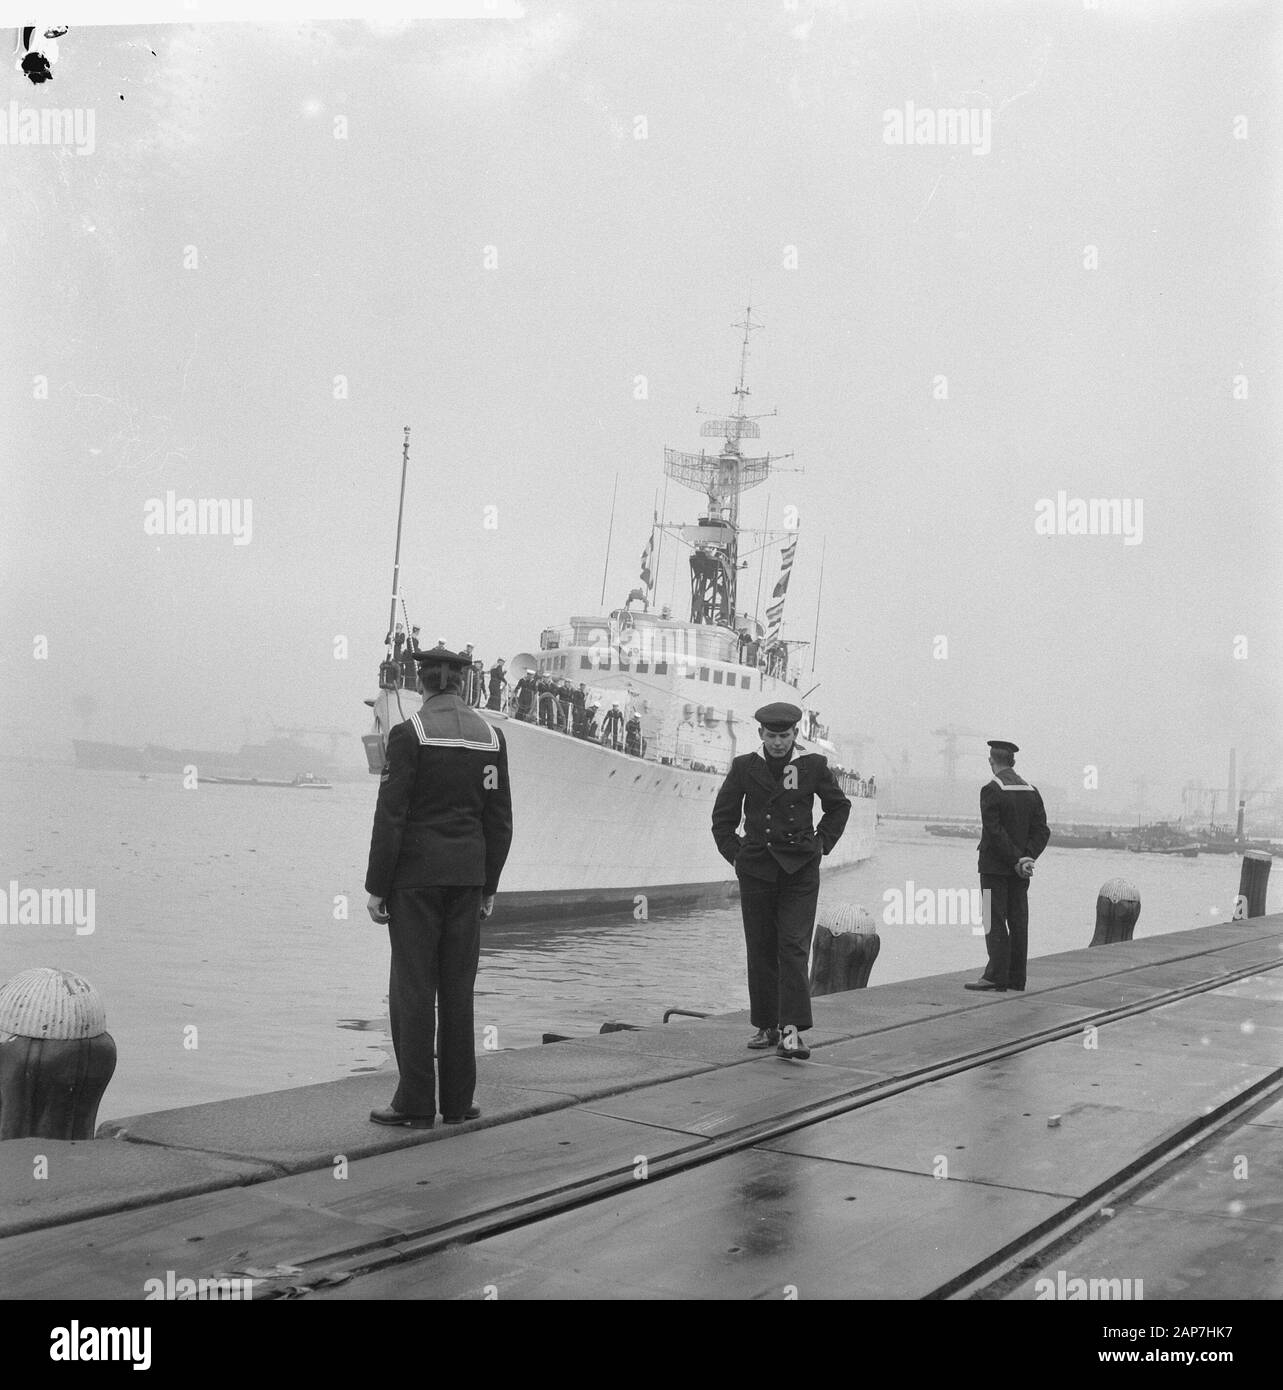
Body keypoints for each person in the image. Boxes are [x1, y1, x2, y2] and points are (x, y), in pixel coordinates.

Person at [364, 643, 514, 1128]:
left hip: (415, 881)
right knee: (457, 988)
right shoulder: (492, 739)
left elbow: (392, 816)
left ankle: (413, 1103)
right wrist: (488, 885)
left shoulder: (410, 735)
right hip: (467, 879)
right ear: (462, 683)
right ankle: (457, 1100)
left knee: (412, 988)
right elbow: (499, 821)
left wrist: (377, 886)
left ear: (424, 682)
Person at [711, 703, 851, 1060]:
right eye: (771, 736)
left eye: (784, 736)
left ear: (795, 735)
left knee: (792, 946)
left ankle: (792, 1032)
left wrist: (821, 844)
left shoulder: (812, 766)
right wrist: (737, 857)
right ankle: (766, 1025)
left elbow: (839, 806)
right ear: (761, 734)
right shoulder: (744, 767)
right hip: (757, 869)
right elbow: (722, 820)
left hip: (799, 871)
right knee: (760, 948)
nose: (777, 742)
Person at [966, 740, 1049, 993]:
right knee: (1018, 920)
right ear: (1013, 761)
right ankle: (1016, 978)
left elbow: (994, 832)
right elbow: (1042, 831)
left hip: (993, 868)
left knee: (993, 919)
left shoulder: (991, 790)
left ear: (992, 761)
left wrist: (1014, 859)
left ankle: (995, 976)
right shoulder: (1032, 791)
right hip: (1021, 871)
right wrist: (1026, 858)